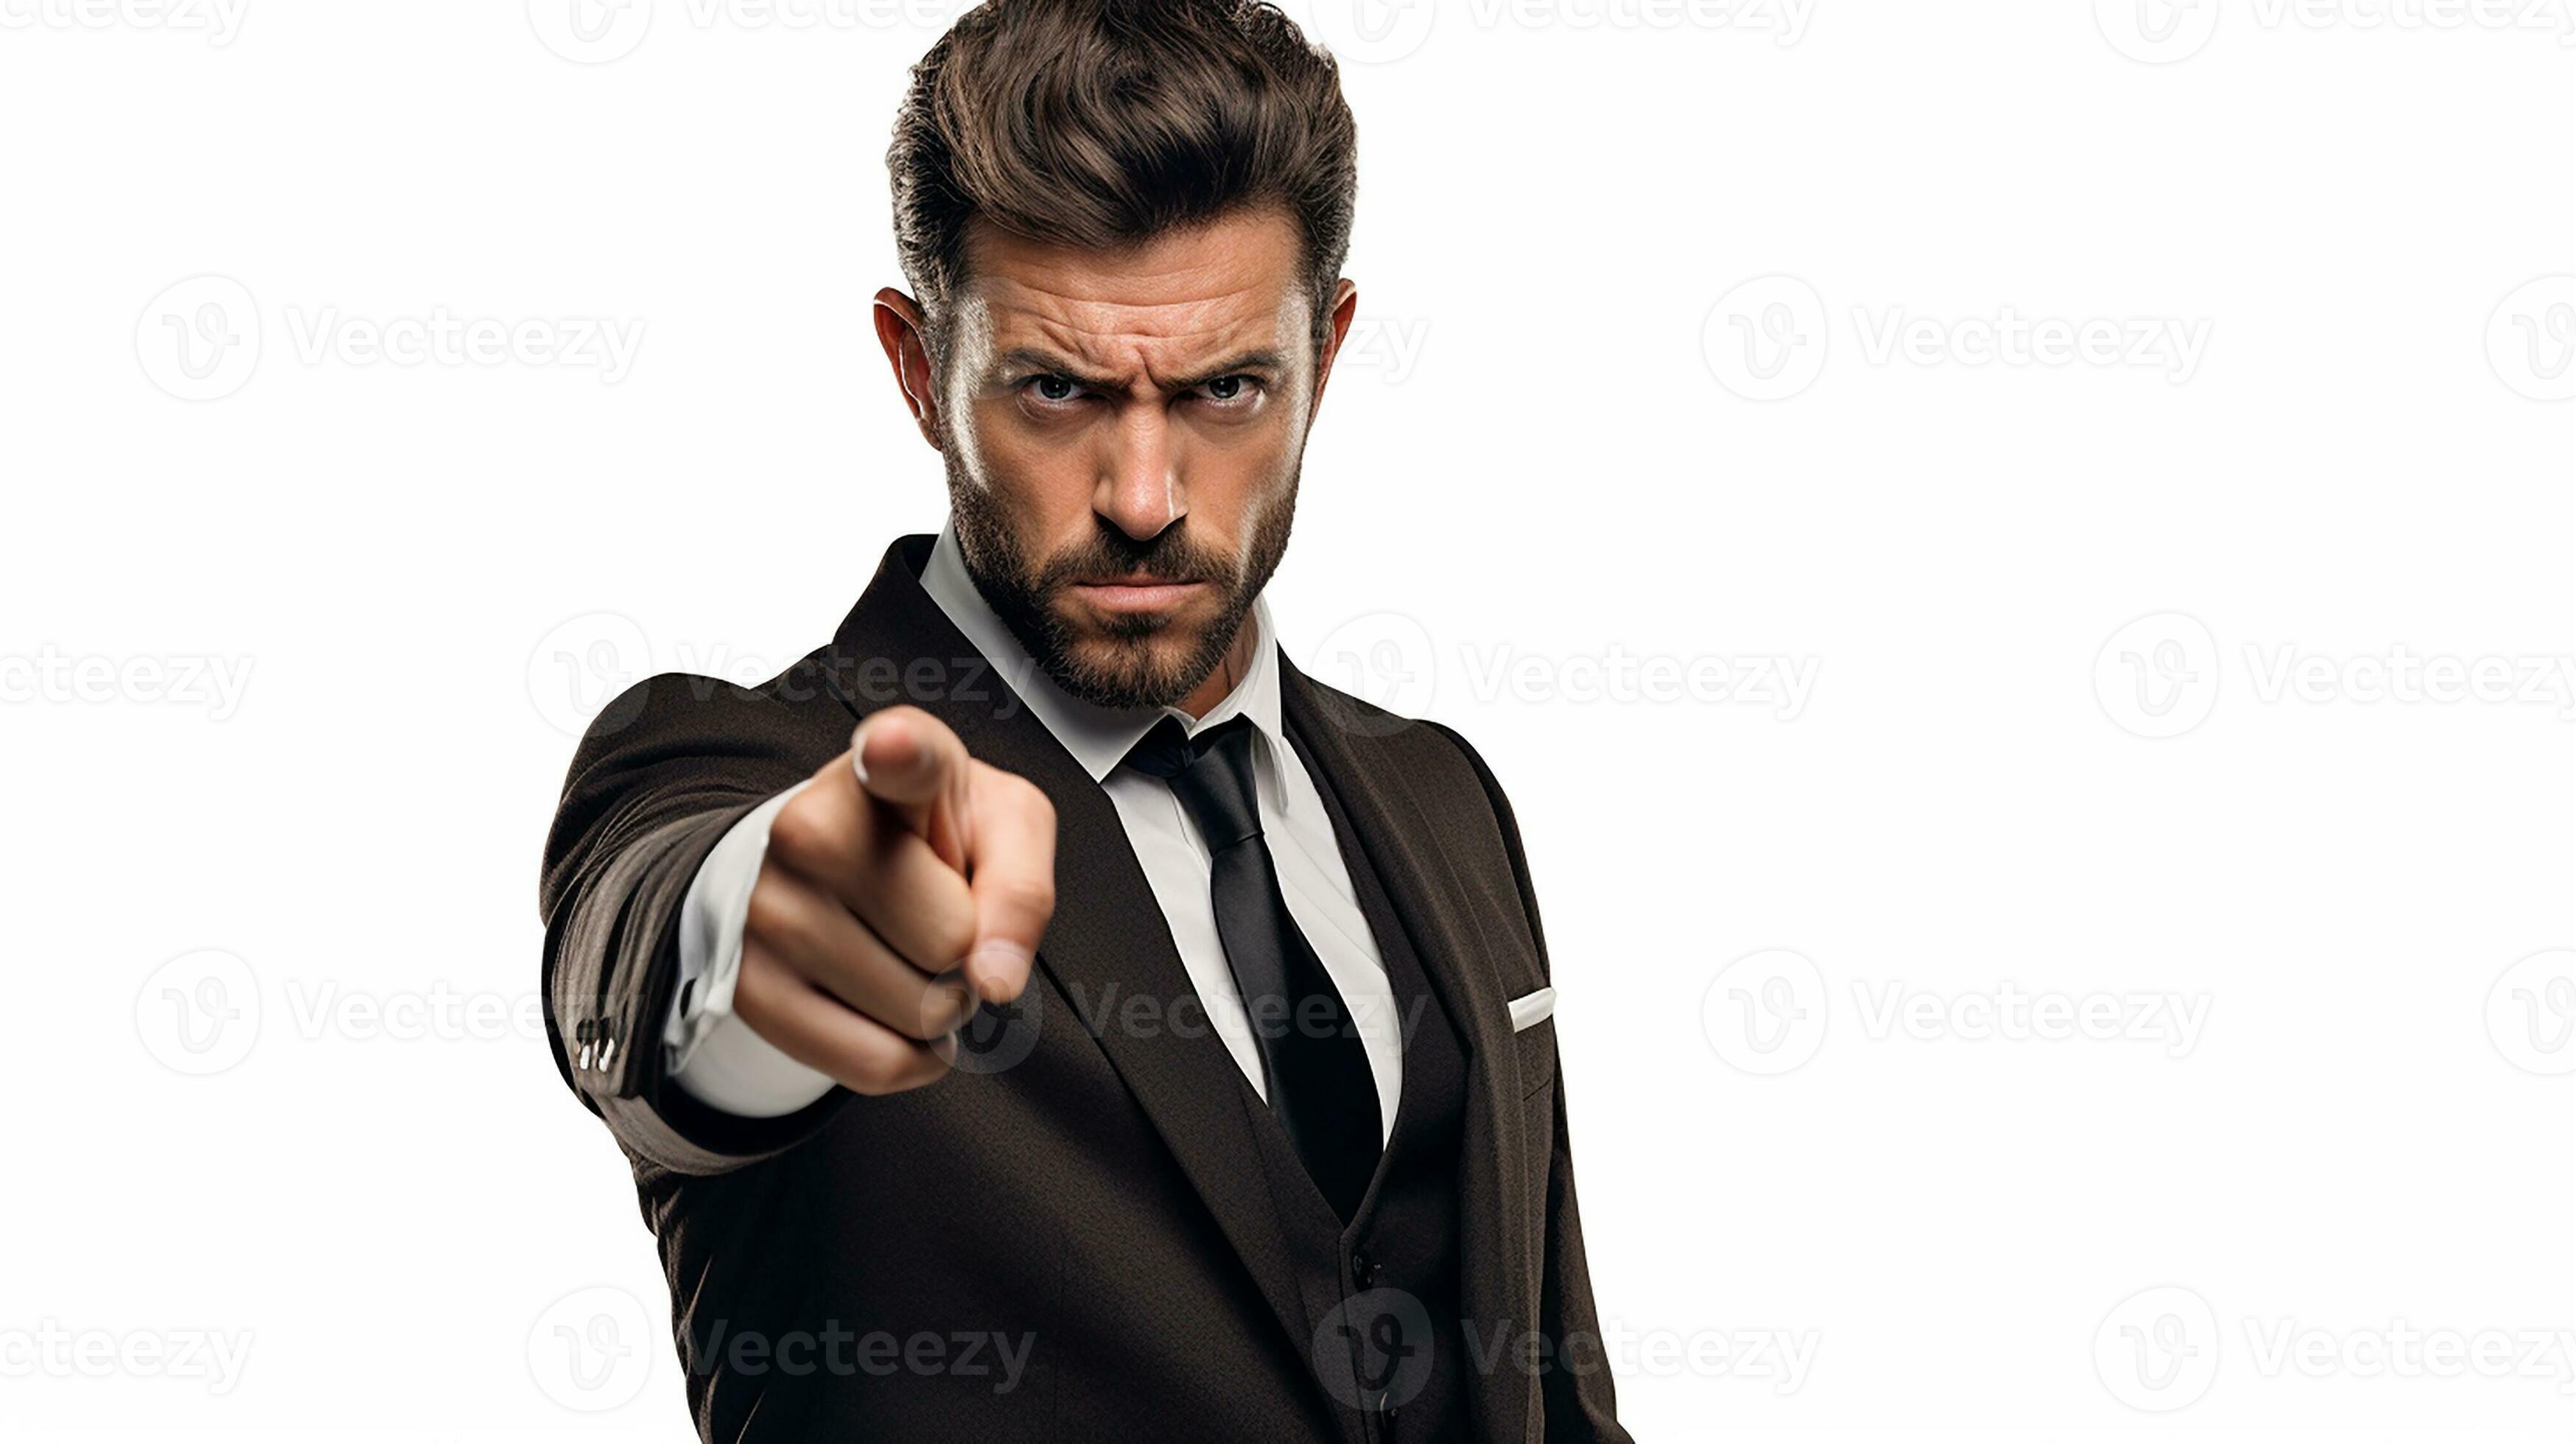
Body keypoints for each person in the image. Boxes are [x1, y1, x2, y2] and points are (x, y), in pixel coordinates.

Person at [539, 1, 1631, 1437]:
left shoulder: (1438, 793)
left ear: (1326, 355)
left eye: (1226, 387)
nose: (1143, 497)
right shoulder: (742, 765)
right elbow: (650, 959)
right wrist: (754, 928)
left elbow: (1555, 1389)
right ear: (920, 369)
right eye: (1054, 389)